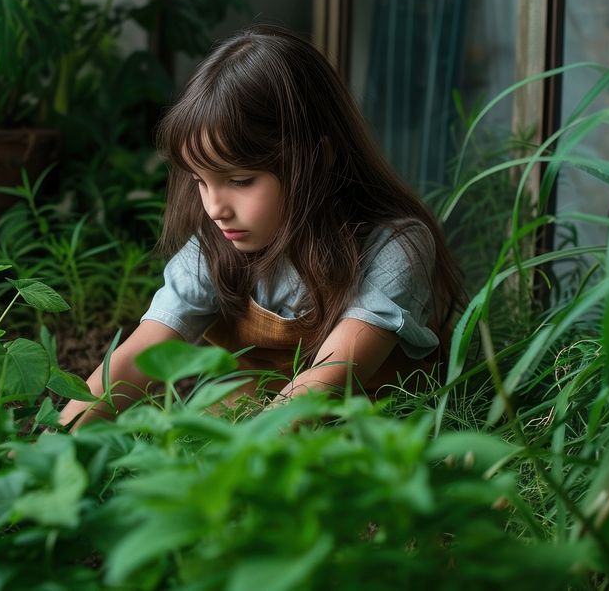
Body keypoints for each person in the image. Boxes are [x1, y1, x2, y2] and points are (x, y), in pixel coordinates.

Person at [59, 24, 464, 428]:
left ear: (317, 159)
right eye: (201, 181)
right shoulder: (215, 247)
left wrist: (243, 456)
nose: (215, 208)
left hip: (367, 424)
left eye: (239, 181)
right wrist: (55, 442)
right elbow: (140, 355)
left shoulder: (393, 246)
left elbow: (329, 381)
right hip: (258, 409)